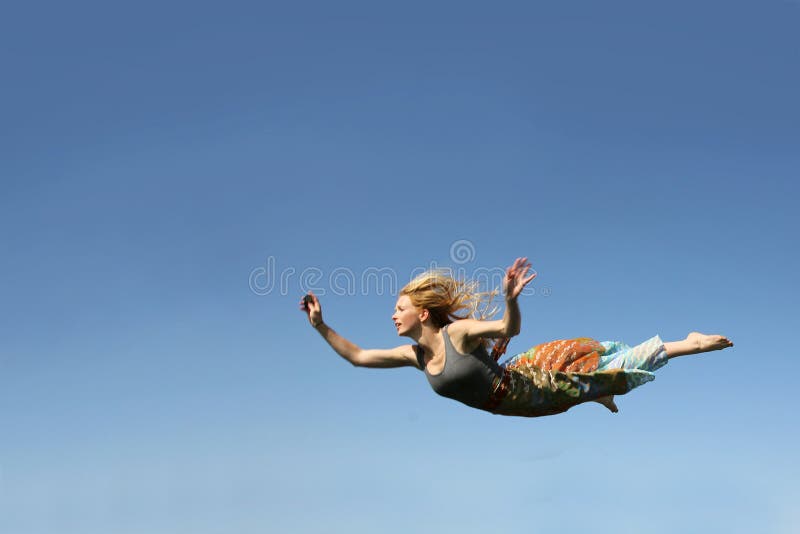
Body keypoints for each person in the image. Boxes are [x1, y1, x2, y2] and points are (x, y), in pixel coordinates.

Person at [299, 258, 734, 417]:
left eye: (400, 308)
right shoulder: (415, 356)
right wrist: (320, 326)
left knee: (611, 370)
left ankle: (687, 343)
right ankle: (593, 396)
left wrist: (510, 299)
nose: (393, 315)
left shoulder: (458, 333)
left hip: (529, 384)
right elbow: (357, 356)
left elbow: (509, 329)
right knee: (585, 388)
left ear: (423, 313)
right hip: (517, 403)